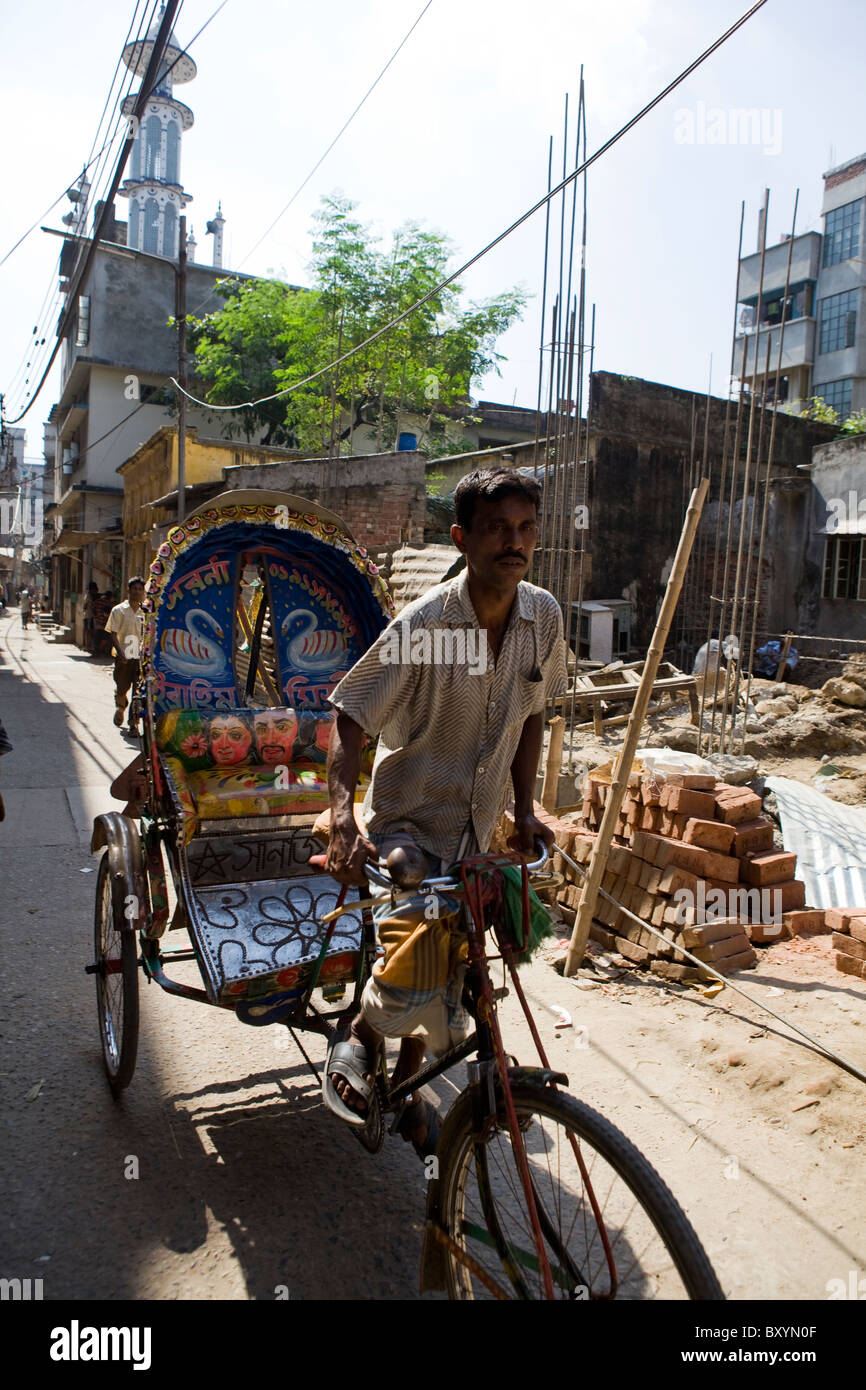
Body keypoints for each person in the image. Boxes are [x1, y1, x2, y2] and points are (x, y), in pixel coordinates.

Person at [322, 467, 567, 1155]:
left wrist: (525, 810)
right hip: (408, 819)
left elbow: (532, 716)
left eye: (524, 529)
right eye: (496, 530)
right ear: (462, 539)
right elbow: (350, 715)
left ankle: (406, 1081)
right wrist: (342, 814)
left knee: (476, 954)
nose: (512, 543)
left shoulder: (543, 616)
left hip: (477, 829)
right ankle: (363, 1033)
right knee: (419, 903)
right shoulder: (427, 624)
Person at [105, 577, 145, 736]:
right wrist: (121, 654)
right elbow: (113, 634)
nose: (137, 591)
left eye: (139, 589)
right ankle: (120, 707)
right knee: (122, 687)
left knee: (138, 691)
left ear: (143, 592)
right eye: (134, 588)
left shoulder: (146, 610)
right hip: (123, 657)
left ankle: (133, 724)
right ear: (128, 590)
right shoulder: (118, 610)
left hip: (141, 658)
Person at [82, 581, 99, 654]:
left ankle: (90, 646)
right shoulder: (88, 596)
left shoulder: (91, 596)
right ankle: (88, 646)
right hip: (89, 616)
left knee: (90, 631)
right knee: (88, 631)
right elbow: (85, 606)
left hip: (90, 616)